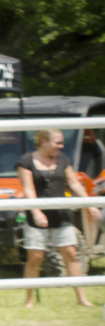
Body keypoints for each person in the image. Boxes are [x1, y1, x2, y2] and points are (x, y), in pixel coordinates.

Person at [16, 128, 101, 307]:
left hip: (61, 214)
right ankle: (29, 300)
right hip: (37, 215)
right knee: (36, 257)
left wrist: (90, 203)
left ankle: (81, 299)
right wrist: (36, 211)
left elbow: (73, 184)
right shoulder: (26, 161)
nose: (61, 146)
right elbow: (29, 189)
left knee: (71, 254)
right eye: (57, 142)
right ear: (44, 141)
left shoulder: (63, 160)